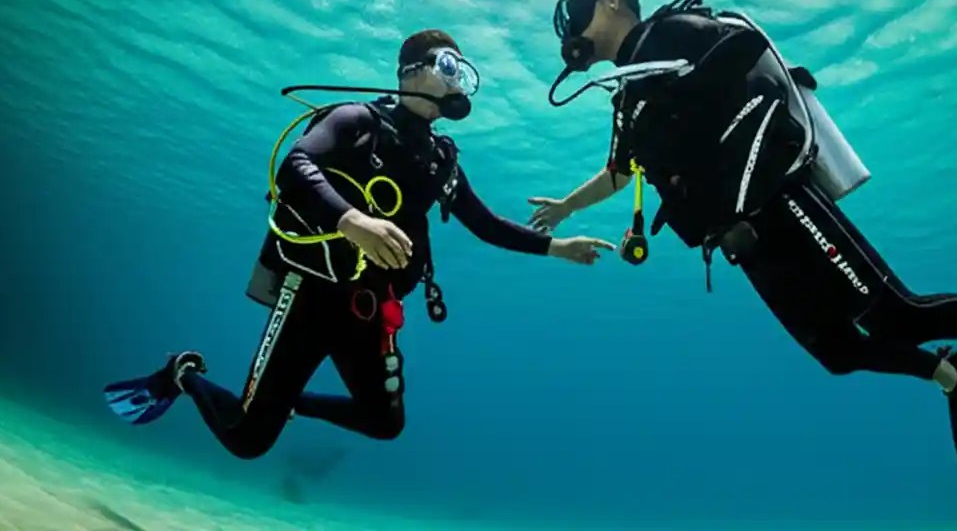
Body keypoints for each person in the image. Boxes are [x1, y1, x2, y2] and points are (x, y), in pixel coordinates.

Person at [528, 0, 957, 524]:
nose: (569, 26)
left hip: (786, 203)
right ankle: (951, 377)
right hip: (744, 241)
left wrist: (685, 84)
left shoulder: (668, 35)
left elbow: (744, 43)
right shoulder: (630, 92)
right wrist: (565, 207)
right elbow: (621, 173)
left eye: (573, 9)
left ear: (612, 0)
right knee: (836, 351)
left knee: (898, 315)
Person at [104, 29, 615, 458]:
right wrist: (353, 222)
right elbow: (295, 166)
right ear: (410, 70)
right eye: (447, 65)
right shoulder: (355, 121)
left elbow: (484, 223)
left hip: (370, 312)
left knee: (383, 422)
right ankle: (182, 372)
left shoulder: (441, 160)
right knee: (247, 439)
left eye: (463, 72)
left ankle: (287, 400)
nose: (457, 79)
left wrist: (559, 248)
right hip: (312, 295)